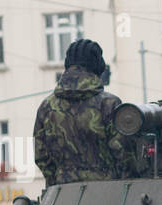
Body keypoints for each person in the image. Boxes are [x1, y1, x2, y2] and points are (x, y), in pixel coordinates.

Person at [33, 39, 135, 186]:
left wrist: (56, 181)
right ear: (98, 67)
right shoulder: (109, 104)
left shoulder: (47, 107)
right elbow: (124, 154)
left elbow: (41, 155)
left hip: (63, 194)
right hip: (108, 194)